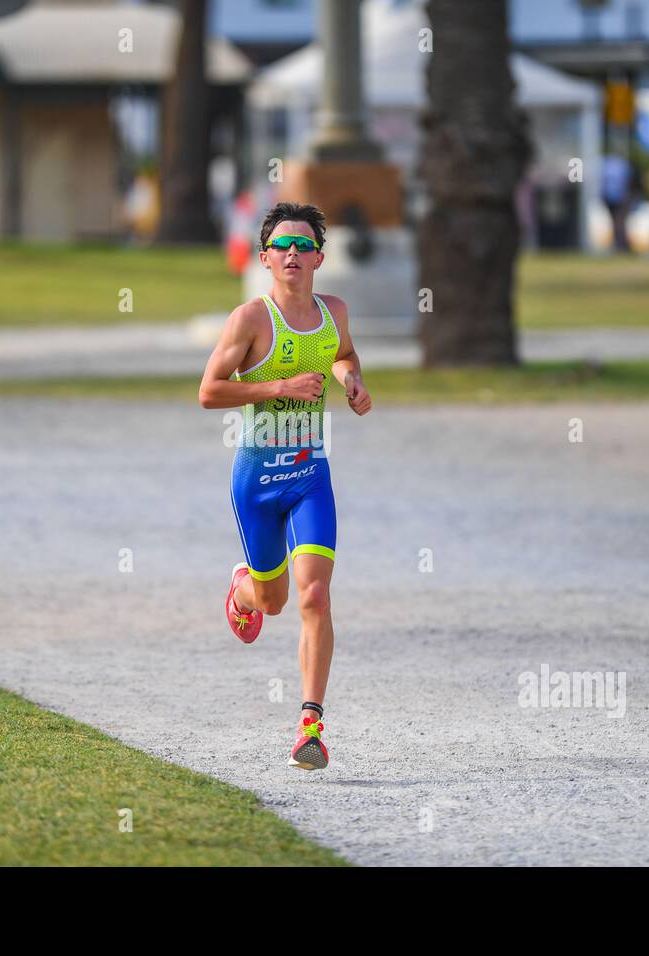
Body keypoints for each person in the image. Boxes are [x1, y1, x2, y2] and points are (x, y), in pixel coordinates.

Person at [198, 201, 372, 771]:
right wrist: (278, 390)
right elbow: (209, 392)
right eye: (282, 246)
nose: (293, 254)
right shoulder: (249, 319)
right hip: (256, 481)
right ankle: (244, 585)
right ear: (265, 257)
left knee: (315, 596)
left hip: (309, 475)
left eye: (304, 246)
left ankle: (310, 726)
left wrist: (352, 382)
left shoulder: (334, 312)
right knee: (271, 603)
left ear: (320, 257)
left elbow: (341, 354)